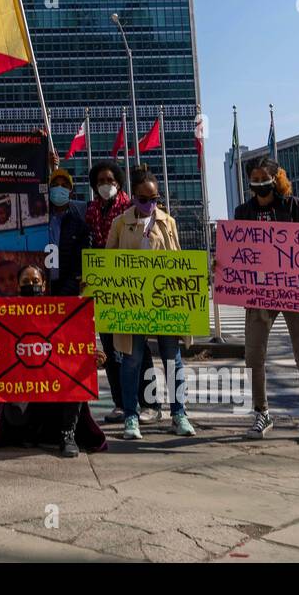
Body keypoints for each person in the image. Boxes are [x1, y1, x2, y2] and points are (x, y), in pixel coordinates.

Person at [0, 265, 108, 457]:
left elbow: (75, 355)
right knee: (16, 413)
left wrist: (93, 359)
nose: (31, 285)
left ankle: (67, 435)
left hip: (57, 398)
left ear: (44, 284)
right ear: (17, 286)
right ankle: (28, 433)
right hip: (24, 402)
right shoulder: (4, 316)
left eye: (35, 281)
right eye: (26, 282)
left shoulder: (61, 316)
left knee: (75, 381)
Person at [232, 157, 299, 444]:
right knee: (254, 355)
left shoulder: (294, 207)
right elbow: (237, 250)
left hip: (294, 290)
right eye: (253, 178)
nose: (258, 182)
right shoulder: (242, 211)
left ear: (274, 177)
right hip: (259, 292)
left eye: (262, 177)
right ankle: (262, 412)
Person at [105, 164, 196, 440]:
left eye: (153, 199)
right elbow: (109, 261)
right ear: (133, 197)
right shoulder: (120, 223)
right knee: (131, 361)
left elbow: (178, 259)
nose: (148, 204)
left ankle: (179, 413)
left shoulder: (168, 222)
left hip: (164, 302)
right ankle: (131, 417)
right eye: (143, 199)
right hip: (132, 303)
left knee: (173, 359)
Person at [82, 159, 140, 424]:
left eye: (111, 180)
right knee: (111, 350)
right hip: (104, 287)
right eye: (101, 181)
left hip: (129, 287)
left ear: (119, 183)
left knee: (136, 350)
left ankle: (145, 402)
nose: (106, 185)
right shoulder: (92, 209)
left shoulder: (131, 208)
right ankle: (120, 403)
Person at [46, 167, 90, 295]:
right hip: (41, 289)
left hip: (66, 291)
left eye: (64, 185)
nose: (59, 188)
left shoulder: (79, 225)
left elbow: (79, 264)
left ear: (71, 193)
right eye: (55, 185)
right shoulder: (40, 220)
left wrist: (66, 292)